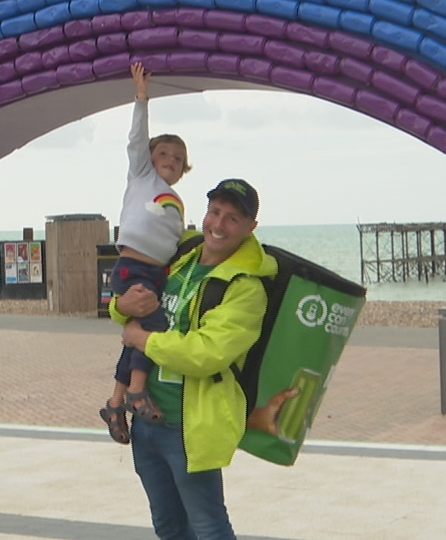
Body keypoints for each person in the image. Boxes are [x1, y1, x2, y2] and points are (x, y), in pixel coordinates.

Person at [112, 179, 296, 540]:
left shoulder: (246, 287)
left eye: (232, 218)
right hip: (147, 419)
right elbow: (130, 298)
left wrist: (141, 339)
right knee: (168, 526)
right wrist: (120, 306)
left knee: (209, 527)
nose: (218, 224)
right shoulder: (181, 254)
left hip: (190, 427)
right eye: (215, 212)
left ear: (250, 227)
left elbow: (206, 354)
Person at [100, 61, 191, 443]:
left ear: (184, 169)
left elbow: (176, 242)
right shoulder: (142, 177)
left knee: (138, 333)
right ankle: (136, 391)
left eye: (178, 158)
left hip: (156, 274)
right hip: (132, 268)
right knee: (153, 328)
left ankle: (115, 401)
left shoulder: (176, 201)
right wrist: (142, 97)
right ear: (150, 159)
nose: (171, 160)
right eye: (163, 153)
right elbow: (137, 140)